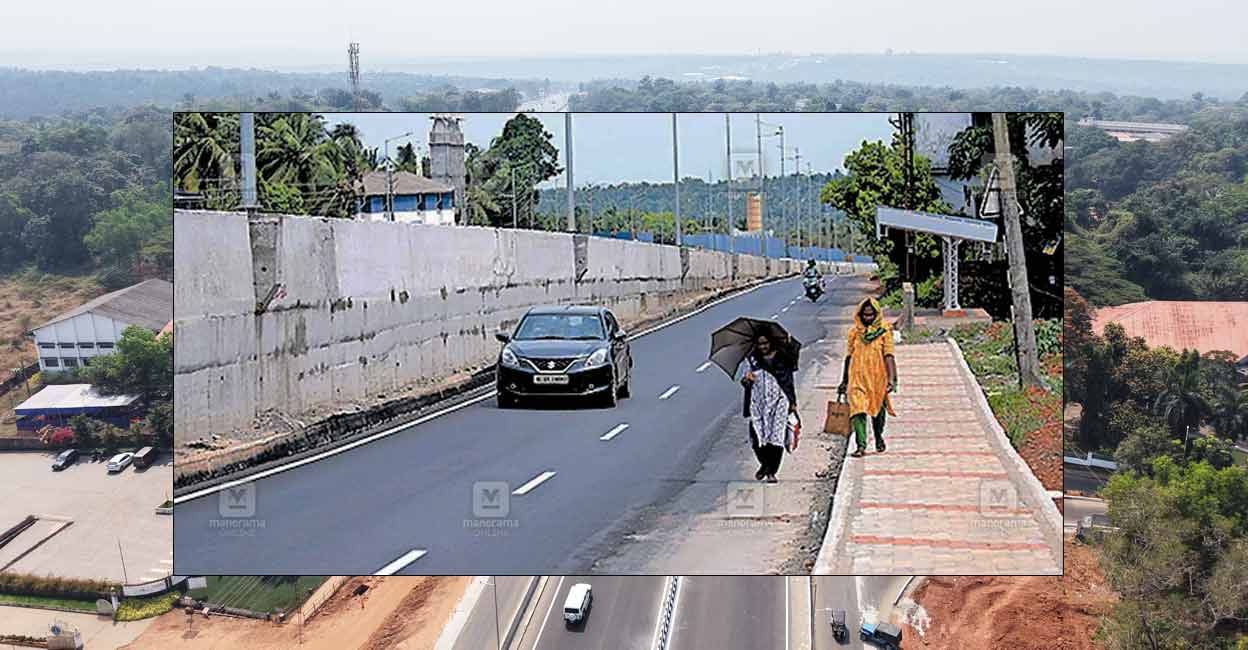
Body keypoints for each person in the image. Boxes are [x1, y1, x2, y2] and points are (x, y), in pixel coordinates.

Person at [837, 297, 898, 457]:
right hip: (857, 378)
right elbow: (849, 357)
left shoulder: (884, 331)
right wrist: (844, 381)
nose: (868, 318)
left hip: (878, 378)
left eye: (871, 315)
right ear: (860, 315)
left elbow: (889, 355)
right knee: (857, 411)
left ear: (876, 314)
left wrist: (891, 379)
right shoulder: (854, 333)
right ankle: (861, 445)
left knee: (878, 413)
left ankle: (878, 437)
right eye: (865, 315)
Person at [741, 333, 798, 482]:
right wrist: (747, 380)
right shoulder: (752, 360)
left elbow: (790, 374)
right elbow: (744, 381)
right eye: (760, 344)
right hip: (758, 402)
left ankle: (771, 472)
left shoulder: (783, 357)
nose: (763, 347)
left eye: (765, 343)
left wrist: (792, 402)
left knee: (776, 436)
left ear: (771, 342)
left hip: (780, 401)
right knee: (757, 436)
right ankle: (765, 465)